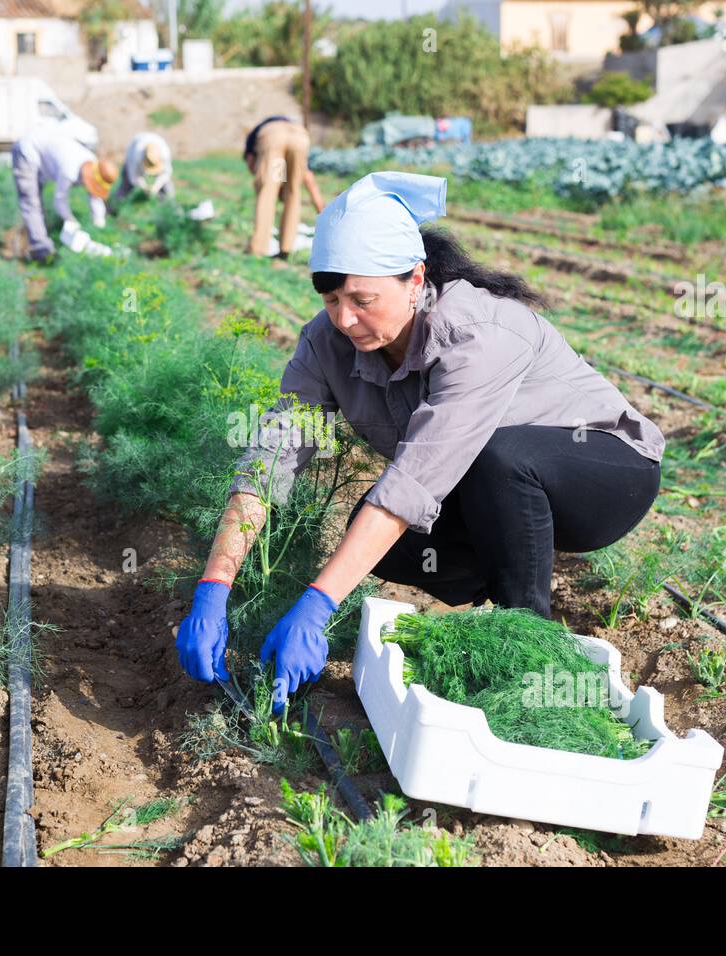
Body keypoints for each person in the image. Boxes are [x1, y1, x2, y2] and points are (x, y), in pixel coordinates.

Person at [175, 171, 665, 713]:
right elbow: (275, 455)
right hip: (492, 487)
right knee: (386, 535)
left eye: (363, 298)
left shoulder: (478, 332)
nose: (345, 318)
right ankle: (494, 580)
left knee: (494, 463)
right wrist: (214, 585)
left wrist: (317, 604)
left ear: (415, 279)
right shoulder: (326, 341)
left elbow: (414, 480)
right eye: (332, 298)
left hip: (605, 474)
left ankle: (530, 648)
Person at [10, 125, 118, 261]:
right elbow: (59, 200)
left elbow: (95, 197)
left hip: (45, 152)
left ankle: (35, 238)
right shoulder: (69, 170)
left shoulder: (92, 162)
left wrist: (99, 221)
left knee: (37, 204)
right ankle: (42, 251)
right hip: (27, 151)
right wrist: (71, 221)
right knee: (32, 202)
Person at [242, 115, 326, 259]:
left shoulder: (257, 134)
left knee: (268, 192)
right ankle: (285, 249)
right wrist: (324, 215)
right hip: (300, 137)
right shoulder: (291, 128)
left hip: (273, 136)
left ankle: (257, 248)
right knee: (293, 192)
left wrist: (263, 182)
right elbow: (310, 182)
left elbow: (251, 161)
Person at [108, 131, 175, 213]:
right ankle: (112, 208)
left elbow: (166, 174)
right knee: (126, 186)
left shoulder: (164, 153)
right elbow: (133, 176)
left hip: (155, 148)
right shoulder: (136, 154)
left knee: (167, 189)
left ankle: (168, 210)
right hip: (132, 156)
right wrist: (144, 187)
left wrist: (155, 187)